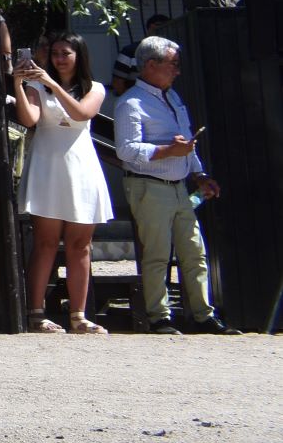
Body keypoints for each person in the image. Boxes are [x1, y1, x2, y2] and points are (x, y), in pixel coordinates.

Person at [113, 35, 231, 333]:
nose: (177, 70)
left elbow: (187, 141)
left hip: (178, 186)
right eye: (173, 64)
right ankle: (159, 317)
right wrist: (168, 151)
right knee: (157, 253)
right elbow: (126, 151)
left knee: (194, 251)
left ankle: (203, 315)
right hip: (149, 186)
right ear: (151, 65)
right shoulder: (130, 103)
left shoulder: (173, 97)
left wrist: (199, 174)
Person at [12, 33, 113, 334]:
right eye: (54, 53)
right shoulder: (36, 86)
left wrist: (53, 85)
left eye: (65, 53)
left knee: (80, 244)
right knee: (44, 242)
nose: (58, 58)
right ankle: (36, 312)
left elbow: (82, 113)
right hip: (48, 163)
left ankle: (78, 315)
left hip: (81, 165)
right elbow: (29, 119)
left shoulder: (94, 88)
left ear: (78, 55)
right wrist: (19, 84)